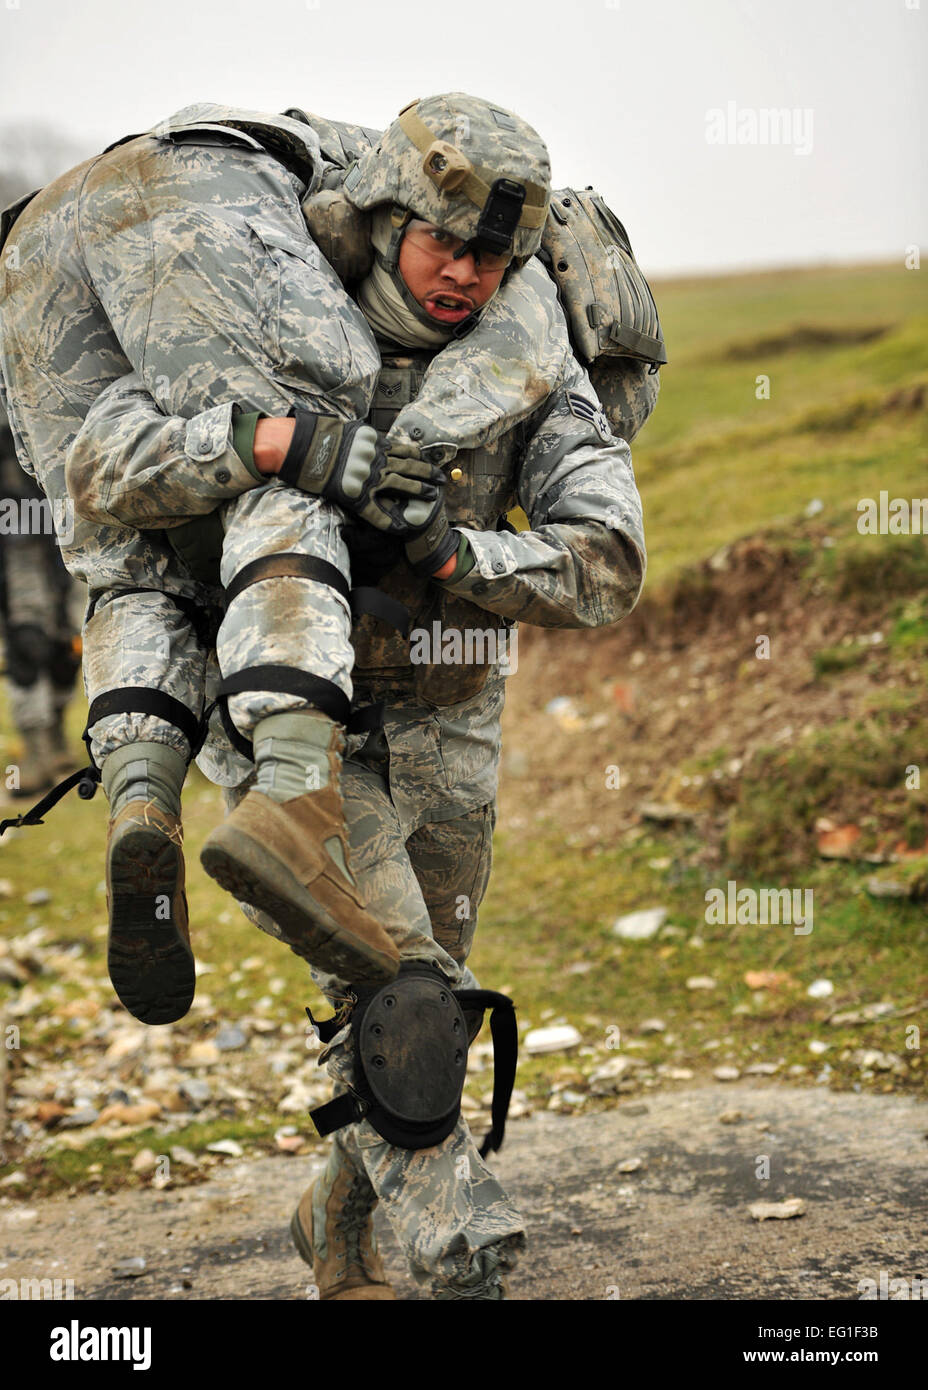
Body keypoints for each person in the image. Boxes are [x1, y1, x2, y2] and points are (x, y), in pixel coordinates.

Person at [50, 93, 659, 1299]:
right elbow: (101, 462)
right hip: (280, 706)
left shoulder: (527, 368)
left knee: (430, 1001)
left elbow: (608, 559)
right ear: (382, 218)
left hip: (445, 712)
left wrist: (462, 558)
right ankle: (459, 1241)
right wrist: (262, 443)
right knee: (395, 981)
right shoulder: (245, 313)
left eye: (496, 255)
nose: (468, 277)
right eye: (446, 243)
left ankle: (333, 1217)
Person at [0, 401, 82, 798]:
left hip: (59, 494)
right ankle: (34, 746)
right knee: (26, 635)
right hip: (13, 523)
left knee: (70, 636)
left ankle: (57, 734)